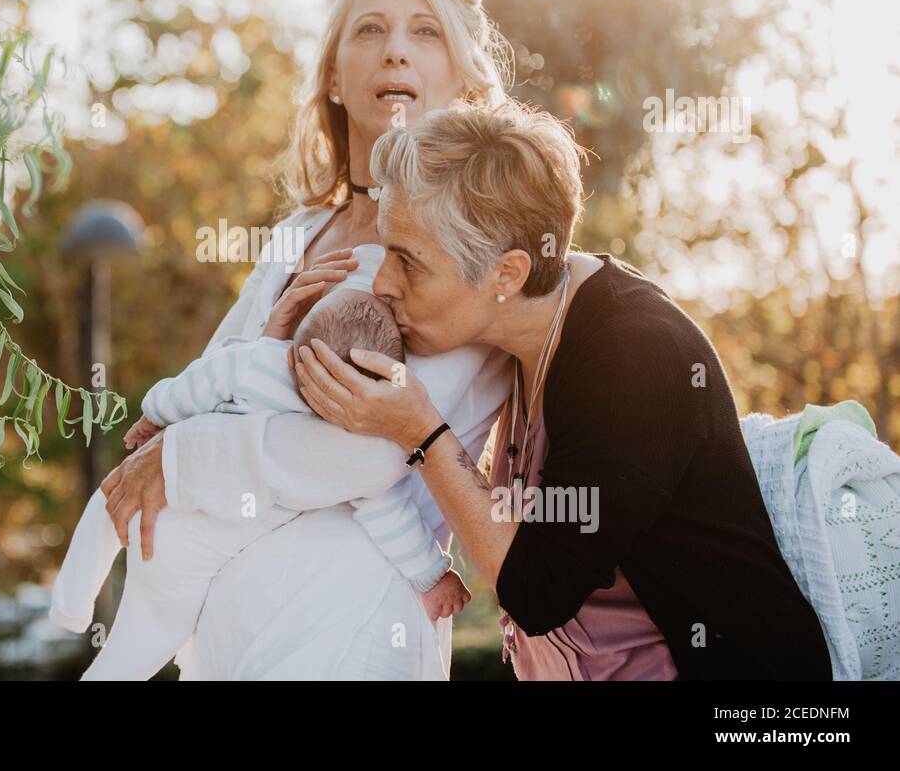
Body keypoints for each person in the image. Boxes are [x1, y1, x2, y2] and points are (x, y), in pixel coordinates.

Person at [289, 98, 834, 679]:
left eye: (409, 262)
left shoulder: (635, 354)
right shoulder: (516, 336)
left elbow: (539, 591)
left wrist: (420, 433)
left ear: (508, 273)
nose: (383, 282)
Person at [101, 0, 515, 679]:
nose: (396, 52)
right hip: (223, 646)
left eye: (426, 33)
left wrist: (183, 459)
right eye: (369, 30)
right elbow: (206, 395)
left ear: (463, 77)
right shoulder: (293, 238)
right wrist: (257, 353)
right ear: (332, 73)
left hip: (354, 635)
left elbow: (367, 451)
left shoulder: (474, 244)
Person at [50, 245, 467, 679]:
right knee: (143, 642)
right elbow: (388, 512)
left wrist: (156, 414)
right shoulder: (355, 437)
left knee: (104, 510)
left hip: (169, 508)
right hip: (190, 547)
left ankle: (71, 605)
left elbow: (198, 382)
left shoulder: (261, 361)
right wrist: (433, 575)